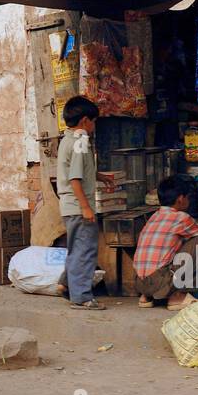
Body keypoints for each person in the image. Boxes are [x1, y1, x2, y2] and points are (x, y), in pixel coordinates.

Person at [56, 95, 116, 310]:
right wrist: (86, 207)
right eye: (94, 121)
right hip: (78, 207)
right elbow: (75, 178)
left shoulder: (68, 139)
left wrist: (100, 176)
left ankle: (66, 285)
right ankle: (81, 297)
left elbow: (78, 170)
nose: (94, 126)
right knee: (85, 251)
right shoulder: (81, 142)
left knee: (76, 249)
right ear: (84, 121)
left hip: (69, 207)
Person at [133, 175, 198, 310]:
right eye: (188, 197)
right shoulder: (181, 217)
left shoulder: (154, 216)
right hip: (158, 281)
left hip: (139, 283)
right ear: (181, 199)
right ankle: (178, 296)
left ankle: (146, 297)